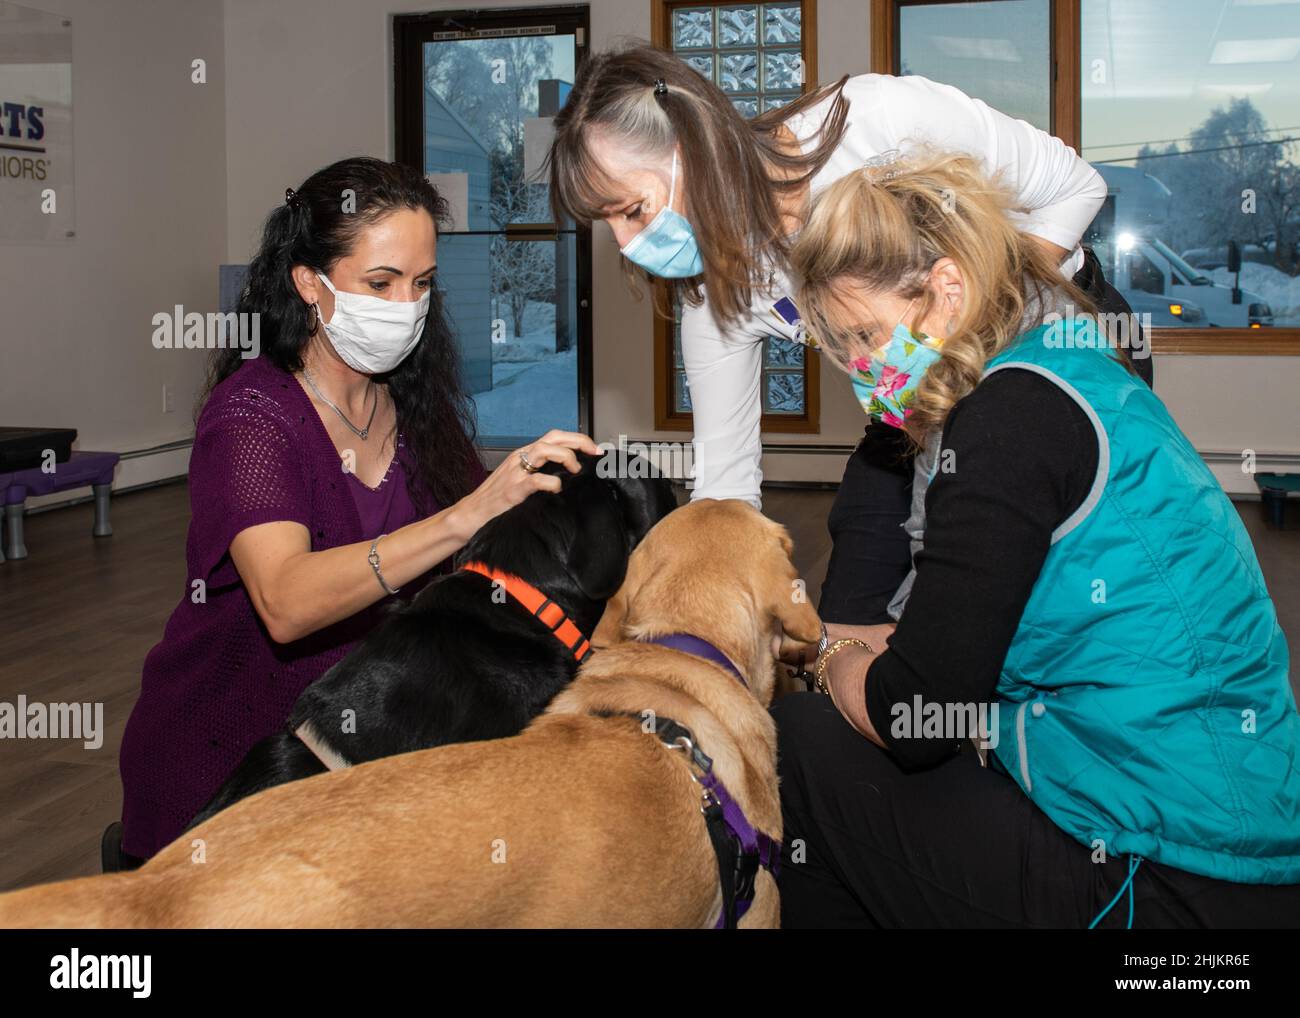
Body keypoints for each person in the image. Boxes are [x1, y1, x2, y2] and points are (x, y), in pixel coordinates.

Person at [773, 150, 1300, 927]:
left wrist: (826, 653)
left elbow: (912, 716)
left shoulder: (1004, 423)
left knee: (793, 743)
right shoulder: (1070, 367)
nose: (858, 368)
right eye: (840, 348)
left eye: (865, 335)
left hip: (1165, 884)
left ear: (947, 289)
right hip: (1235, 833)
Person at [547, 44, 1150, 626]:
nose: (627, 245)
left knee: (1005, 598)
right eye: (609, 224)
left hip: (1059, 346)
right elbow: (725, 489)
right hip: (914, 400)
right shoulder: (719, 293)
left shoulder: (877, 122)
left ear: (693, 150)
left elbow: (1076, 188)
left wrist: (942, 338)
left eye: (632, 211)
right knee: (849, 610)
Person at [117, 157, 598, 864]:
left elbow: (483, 555)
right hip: (229, 772)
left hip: (360, 755)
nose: (406, 304)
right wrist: (463, 517)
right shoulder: (252, 417)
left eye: (422, 283)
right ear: (309, 283)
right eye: (380, 282)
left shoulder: (410, 405)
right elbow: (286, 600)